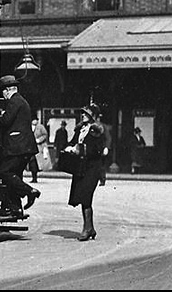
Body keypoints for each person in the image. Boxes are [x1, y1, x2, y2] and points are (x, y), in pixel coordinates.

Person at [0, 75, 41, 211]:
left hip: (18, 146)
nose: (3, 95)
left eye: (3, 92)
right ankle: (15, 207)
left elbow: (5, 121)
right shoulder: (21, 101)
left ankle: (30, 191)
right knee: (15, 175)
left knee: (4, 172)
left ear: (8, 90)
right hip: (24, 146)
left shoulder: (15, 101)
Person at [63, 103, 106, 241]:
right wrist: (70, 147)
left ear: (92, 116)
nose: (82, 115)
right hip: (80, 167)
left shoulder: (97, 130)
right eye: (82, 113)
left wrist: (80, 149)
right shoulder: (80, 129)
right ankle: (90, 228)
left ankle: (87, 229)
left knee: (86, 196)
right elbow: (72, 142)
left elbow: (98, 150)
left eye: (86, 113)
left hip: (92, 168)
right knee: (83, 198)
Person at [28, 116, 50, 183]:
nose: (34, 121)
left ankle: (35, 177)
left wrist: (39, 140)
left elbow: (45, 135)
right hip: (31, 147)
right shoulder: (29, 126)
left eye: (35, 120)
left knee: (36, 163)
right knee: (31, 163)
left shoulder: (40, 127)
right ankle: (33, 177)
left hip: (39, 147)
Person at [99, 113, 113, 186]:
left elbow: (108, 138)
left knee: (101, 165)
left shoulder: (103, 126)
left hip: (100, 148)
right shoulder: (88, 125)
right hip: (91, 148)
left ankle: (102, 179)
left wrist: (106, 147)